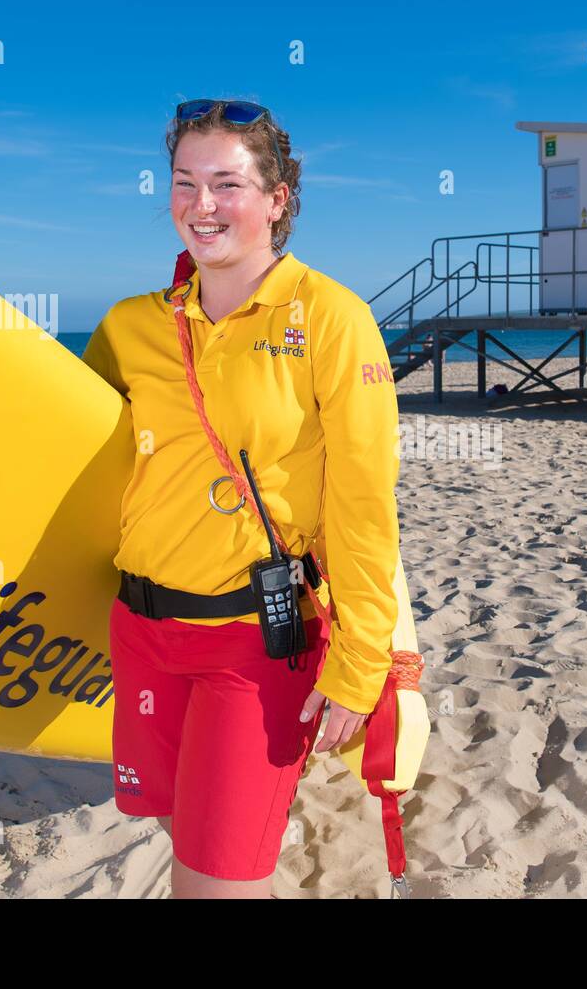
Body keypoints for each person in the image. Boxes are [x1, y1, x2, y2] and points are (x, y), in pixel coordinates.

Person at [82, 99, 401, 899]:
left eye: (227, 183)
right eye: (185, 182)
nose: (201, 204)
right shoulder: (129, 329)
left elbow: (364, 506)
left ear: (278, 198)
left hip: (251, 649)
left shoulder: (331, 319)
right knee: (184, 833)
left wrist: (361, 665)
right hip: (142, 634)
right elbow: (69, 457)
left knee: (211, 883)